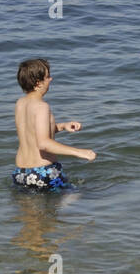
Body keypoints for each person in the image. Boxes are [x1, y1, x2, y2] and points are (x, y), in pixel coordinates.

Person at [12, 58, 95, 190]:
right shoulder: (41, 106)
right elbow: (43, 144)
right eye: (48, 76)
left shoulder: (20, 103)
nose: (51, 79)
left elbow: (32, 132)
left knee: (31, 210)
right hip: (43, 173)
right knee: (77, 199)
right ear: (38, 83)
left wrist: (62, 126)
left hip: (21, 174)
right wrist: (79, 152)